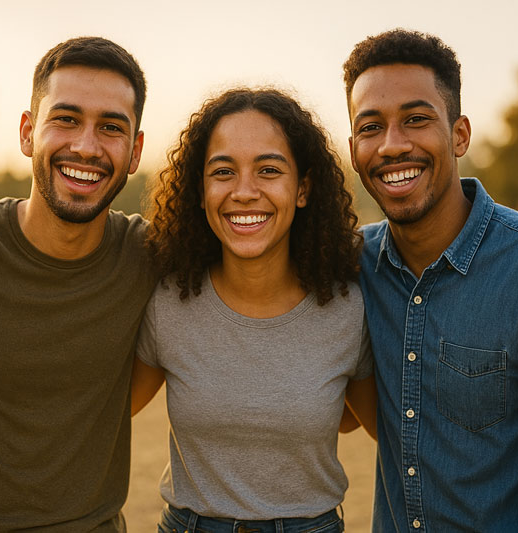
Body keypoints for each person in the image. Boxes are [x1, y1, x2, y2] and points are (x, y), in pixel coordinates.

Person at [343, 29, 518, 532]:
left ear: (459, 134)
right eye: (371, 127)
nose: (393, 145)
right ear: (353, 148)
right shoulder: (350, 269)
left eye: (416, 119)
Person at [0, 37, 157, 532]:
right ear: (27, 132)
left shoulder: (150, 255)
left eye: (111, 127)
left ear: (135, 151)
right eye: (66, 119)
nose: (86, 146)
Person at [131, 88, 377, 533]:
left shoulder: (347, 307)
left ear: (302, 189)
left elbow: (373, 425)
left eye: (268, 170)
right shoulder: (167, 302)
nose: (244, 192)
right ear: (200, 191)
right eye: (223, 171)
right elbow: (106, 412)